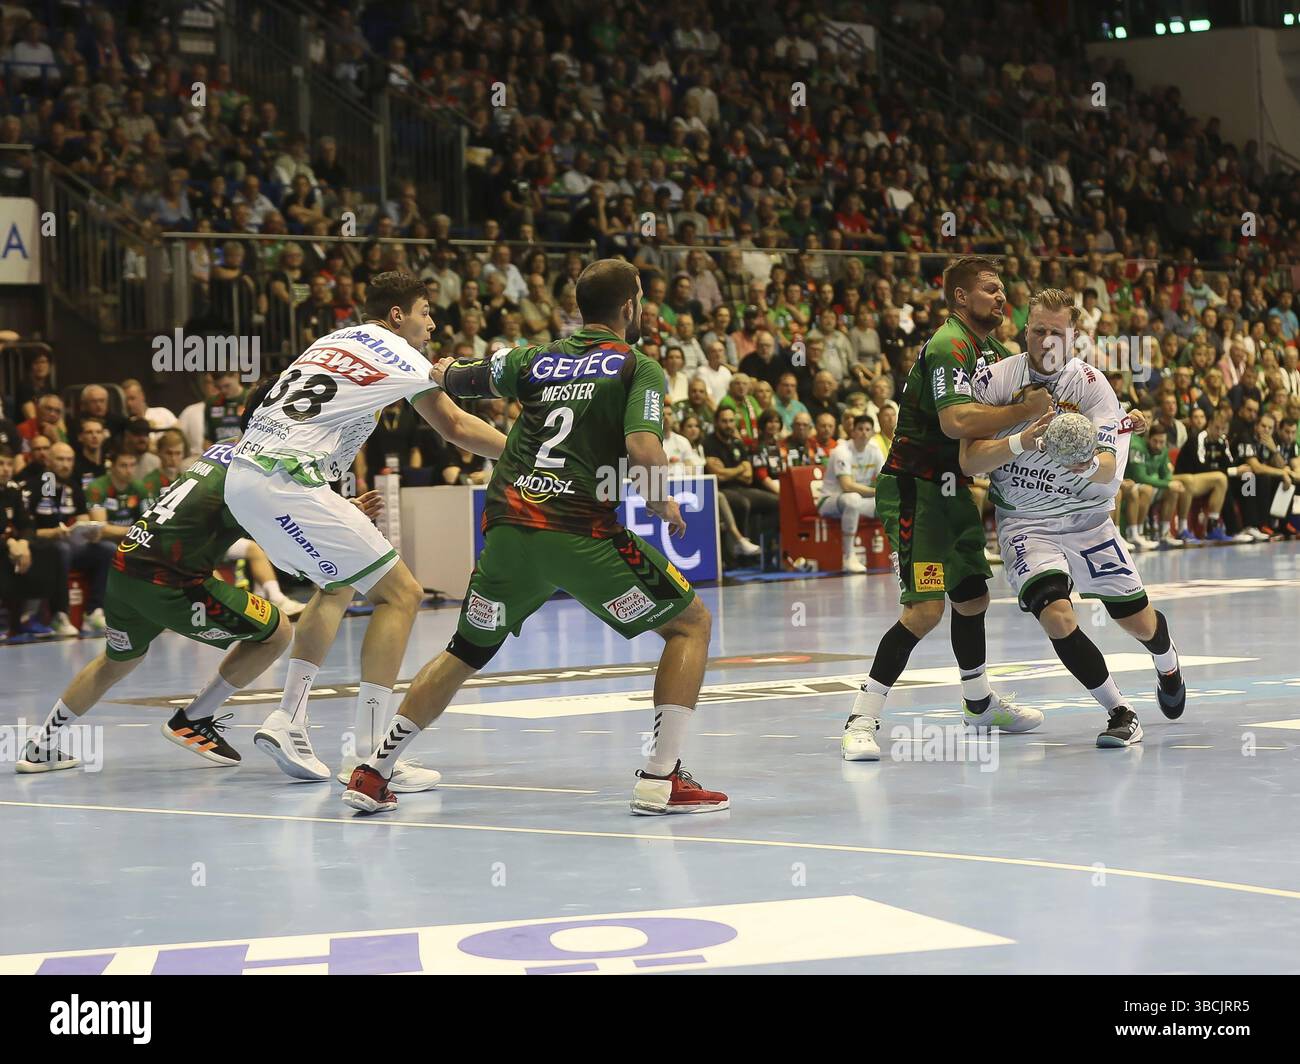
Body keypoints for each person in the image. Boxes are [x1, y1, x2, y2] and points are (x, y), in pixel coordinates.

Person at [340, 259, 727, 817]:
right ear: (629, 308)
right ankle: (661, 778)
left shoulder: (534, 357)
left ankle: (373, 772)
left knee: (463, 651)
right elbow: (644, 447)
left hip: (507, 529)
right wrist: (661, 500)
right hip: (579, 532)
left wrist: (443, 367)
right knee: (690, 625)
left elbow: (460, 379)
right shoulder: (636, 366)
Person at [225, 271, 507, 787]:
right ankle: (373, 755)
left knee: (336, 584)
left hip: (244, 478)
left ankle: (290, 718)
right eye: (425, 311)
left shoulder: (331, 341)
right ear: (397, 315)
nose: (432, 322)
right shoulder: (400, 354)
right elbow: (458, 427)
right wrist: (526, 456)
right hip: (287, 480)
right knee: (402, 594)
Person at [843, 256, 1050, 762]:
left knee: (973, 597)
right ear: (961, 297)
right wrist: (1025, 411)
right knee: (924, 610)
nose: (1001, 298)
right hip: (916, 489)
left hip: (957, 489)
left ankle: (979, 705)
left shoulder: (993, 350)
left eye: (1003, 290)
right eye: (990, 289)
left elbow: (1037, 385)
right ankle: (861, 718)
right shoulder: (948, 344)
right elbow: (957, 420)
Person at [961, 288, 1187, 748]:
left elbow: (1107, 467)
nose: (1045, 340)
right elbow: (969, 461)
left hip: (1086, 518)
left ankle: (1167, 662)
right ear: (1025, 329)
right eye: (1038, 330)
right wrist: (1023, 440)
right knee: (1057, 616)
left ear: (1074, 336)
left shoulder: (1091, 385)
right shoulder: (996, 381)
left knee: (1138, 621)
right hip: (1025, 520)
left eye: (1056, 333)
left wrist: (1080, 460)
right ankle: (1120, 711)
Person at [15, 440, 294, 773]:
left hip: (125, 567)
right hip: (171, 580)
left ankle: (42, 746)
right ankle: (194, 718)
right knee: (278, 633)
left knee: (117, 662)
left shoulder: (219, 449)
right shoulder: (257, 466)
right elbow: (281, 531)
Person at [818, 413, 885, 573]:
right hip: (830, 501)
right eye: (860, 429)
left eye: (868, 429)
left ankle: (898, 554)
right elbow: (847, 486)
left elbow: (885, 480)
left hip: (859, 502)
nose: (864, 432)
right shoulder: (841, 451)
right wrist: (876, 492)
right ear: (852, 432)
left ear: (873, 432)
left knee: (891, 505)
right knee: (853, 499)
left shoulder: (875, 450)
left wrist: (885, 495)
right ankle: (848, 557)